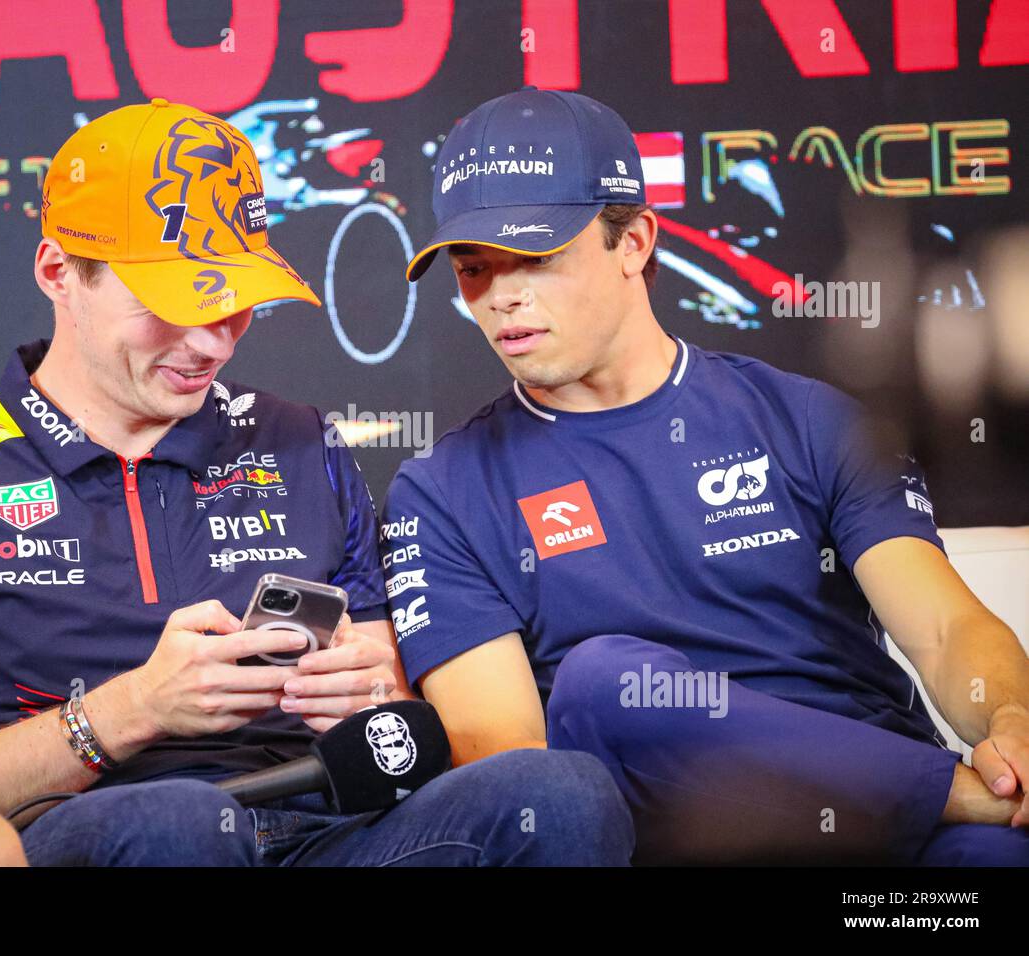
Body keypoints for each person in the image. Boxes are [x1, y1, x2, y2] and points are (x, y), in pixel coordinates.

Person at [0, 98, 631, 866]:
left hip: (323, 829)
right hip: (97, 830)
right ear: (59, 272)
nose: (209, 341)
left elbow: (398, 704)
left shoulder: (303, 443)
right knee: (180, 821)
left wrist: (372, 692)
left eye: (235, 300)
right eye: (172, 301)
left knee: (559, 793)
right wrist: (126, 715)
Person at [382, 86, 1029, 865]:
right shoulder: (441, 492)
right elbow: (509, 764)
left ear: (635, 242)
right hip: (689, 835)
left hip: (886, 830)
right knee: (607, 684)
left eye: (537, 257)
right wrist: (965, 794)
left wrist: (1015, 723)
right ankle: (961, 800)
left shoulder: (811, 418)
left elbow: (944, 629)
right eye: (474, 267)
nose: (503, 295)